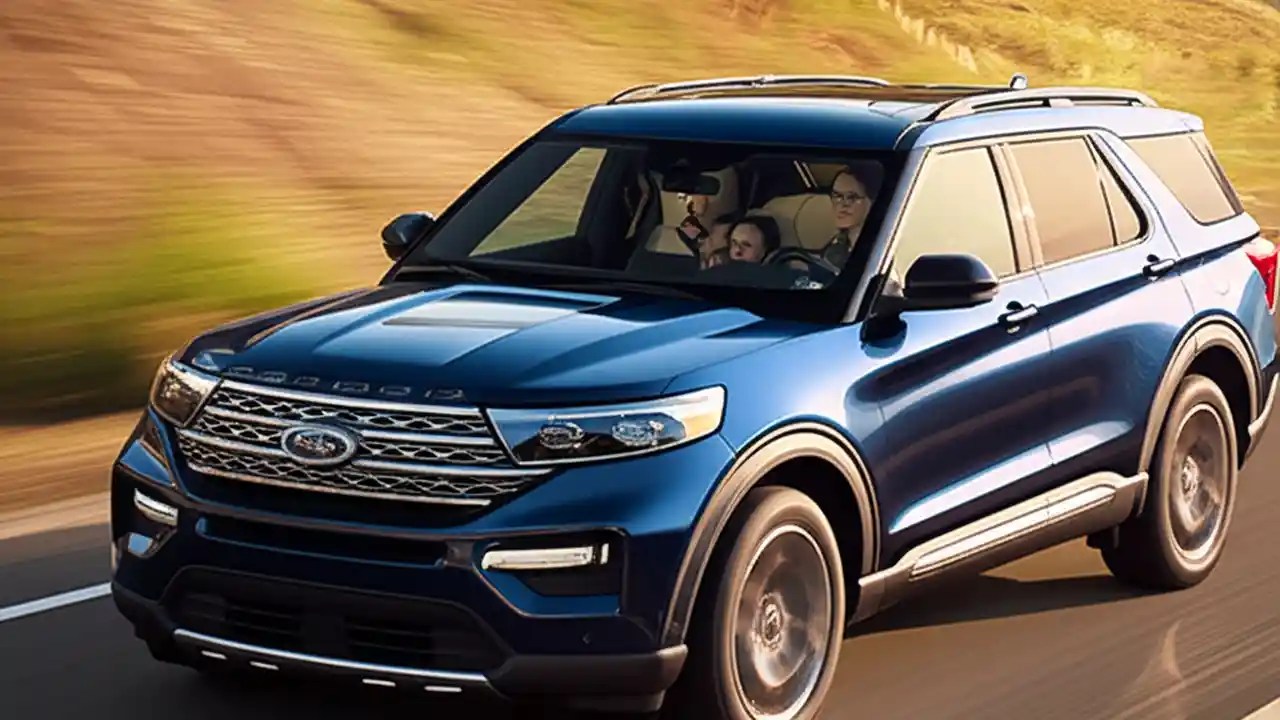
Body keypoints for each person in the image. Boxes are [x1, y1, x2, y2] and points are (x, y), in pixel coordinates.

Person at [819, 163, 882, 267]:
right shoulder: (833, 250)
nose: (842, 205)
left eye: (852, 197)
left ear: (872, 201)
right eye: (837, 195)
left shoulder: (881, 250)